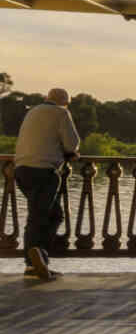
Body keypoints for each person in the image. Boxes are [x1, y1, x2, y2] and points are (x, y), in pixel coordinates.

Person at [14, 88, 79, 280]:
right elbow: (72, 144)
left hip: (21, 170)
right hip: (43, 170)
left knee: (51, 214)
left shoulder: (32, 111)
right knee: (39, 216)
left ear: (46, 98)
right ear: (64, 102)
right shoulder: (61, 112)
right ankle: (34, 259)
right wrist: (70, 152)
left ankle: (37, 260)